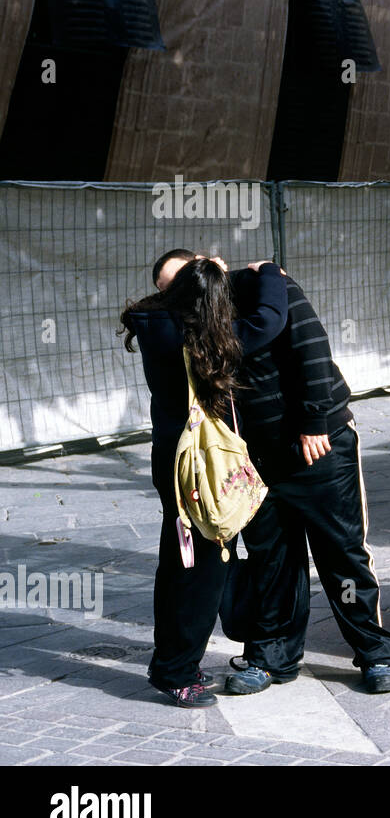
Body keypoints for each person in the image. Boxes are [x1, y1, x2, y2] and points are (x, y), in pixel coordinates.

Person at [156, 253, 390, 695]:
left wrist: (314, 422)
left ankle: (375, 652)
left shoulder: (268, 290)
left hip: (315, 446)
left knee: (341, 551)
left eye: (179, 288)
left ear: (206, 269)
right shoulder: (191, 318)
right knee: (271, 559)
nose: (175, 301)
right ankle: (271, 656)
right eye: (167, 293)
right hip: (252, 460)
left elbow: (311, 347)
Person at [120, 256, 287, 708]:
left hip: (170, 458)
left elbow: (180, 294)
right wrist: (268, 271)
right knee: (202, 571)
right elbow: (270, 319)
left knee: (179, 560)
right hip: (200, 466)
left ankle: (174, 662)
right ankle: (176, 671)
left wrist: (207, 274)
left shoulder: (155, 319)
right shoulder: (204, 337)